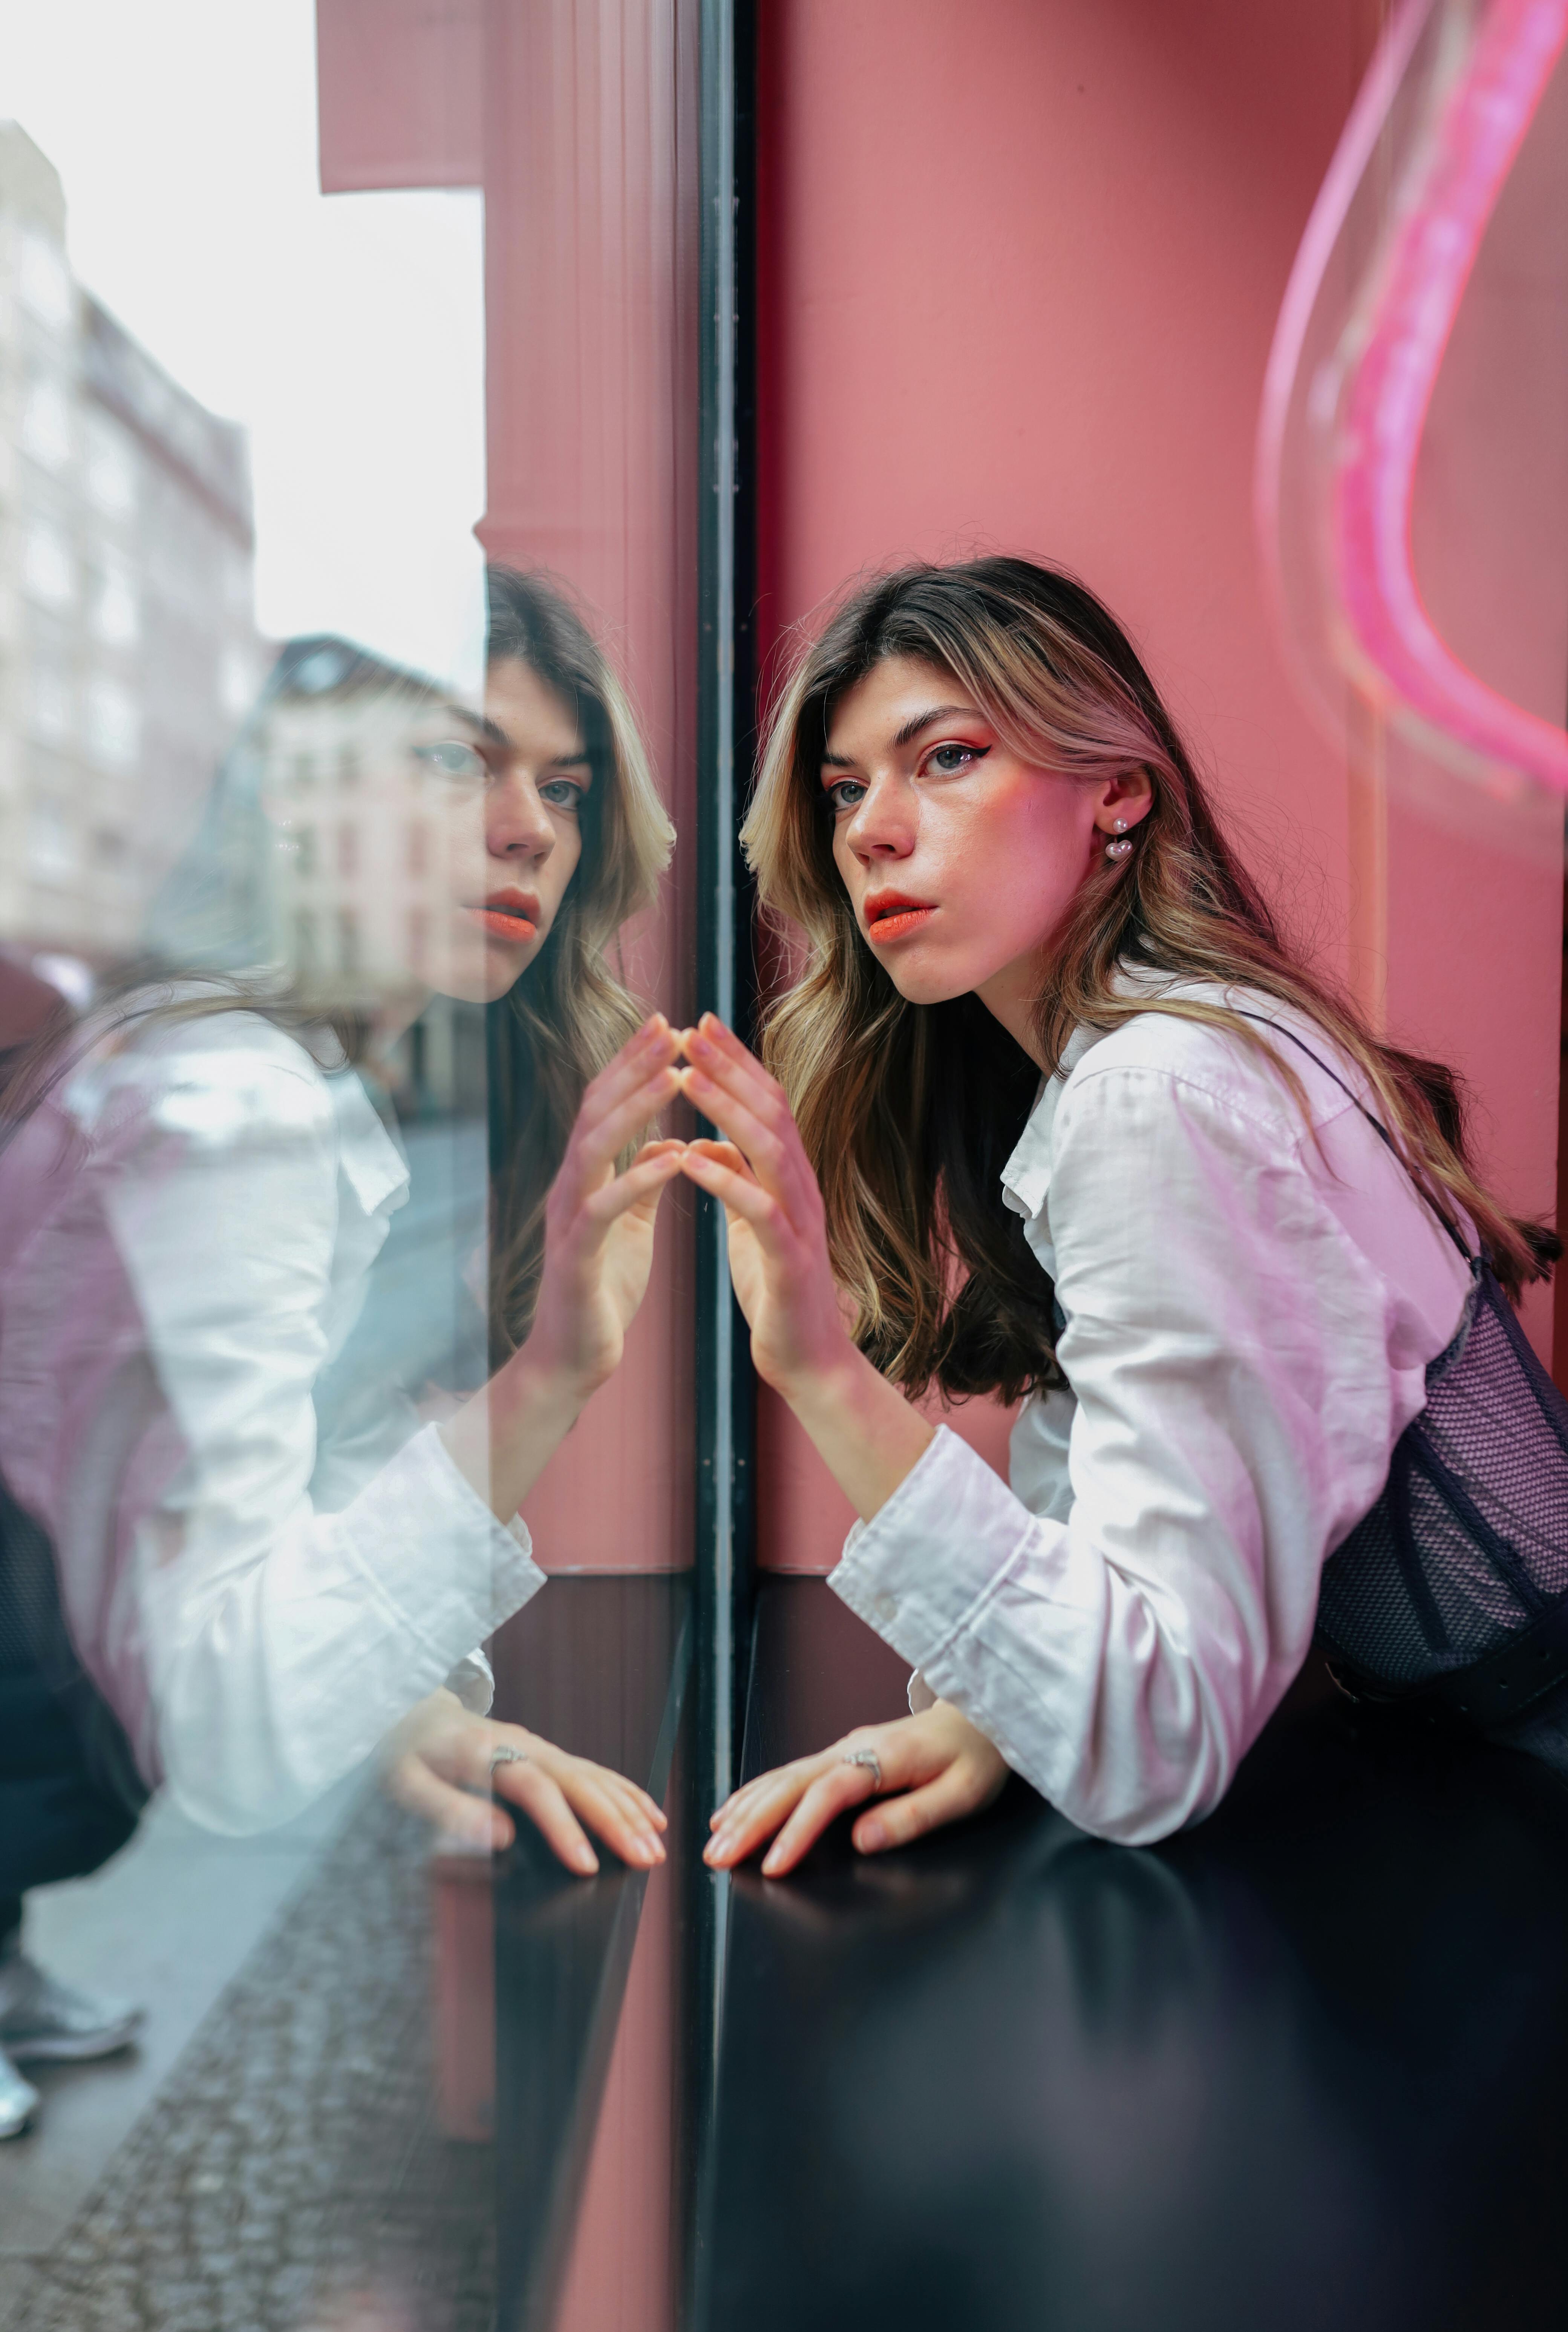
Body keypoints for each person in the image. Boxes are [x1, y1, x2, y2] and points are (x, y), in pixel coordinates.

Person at [681, 555, 1563, 1878]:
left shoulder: (1158, 1094)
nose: (871, 828)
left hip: (1511, 1830)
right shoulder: (1148, 1054)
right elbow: (1109, 1535)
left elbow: (1156, 1740)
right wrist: (996, 1716)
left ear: (1119, 792)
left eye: (950, 757)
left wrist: (814, 1370)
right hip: (1448, 1807)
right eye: (848, 790)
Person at [0, 569, 684, 2136]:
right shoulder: (231, 1105)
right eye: (459, 761)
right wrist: (555, 1375)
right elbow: (233, 1727)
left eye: (561, 786)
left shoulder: (263, 1064)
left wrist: (415, 1714)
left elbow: (235, 1492)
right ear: (304, 804)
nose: (530, 829)